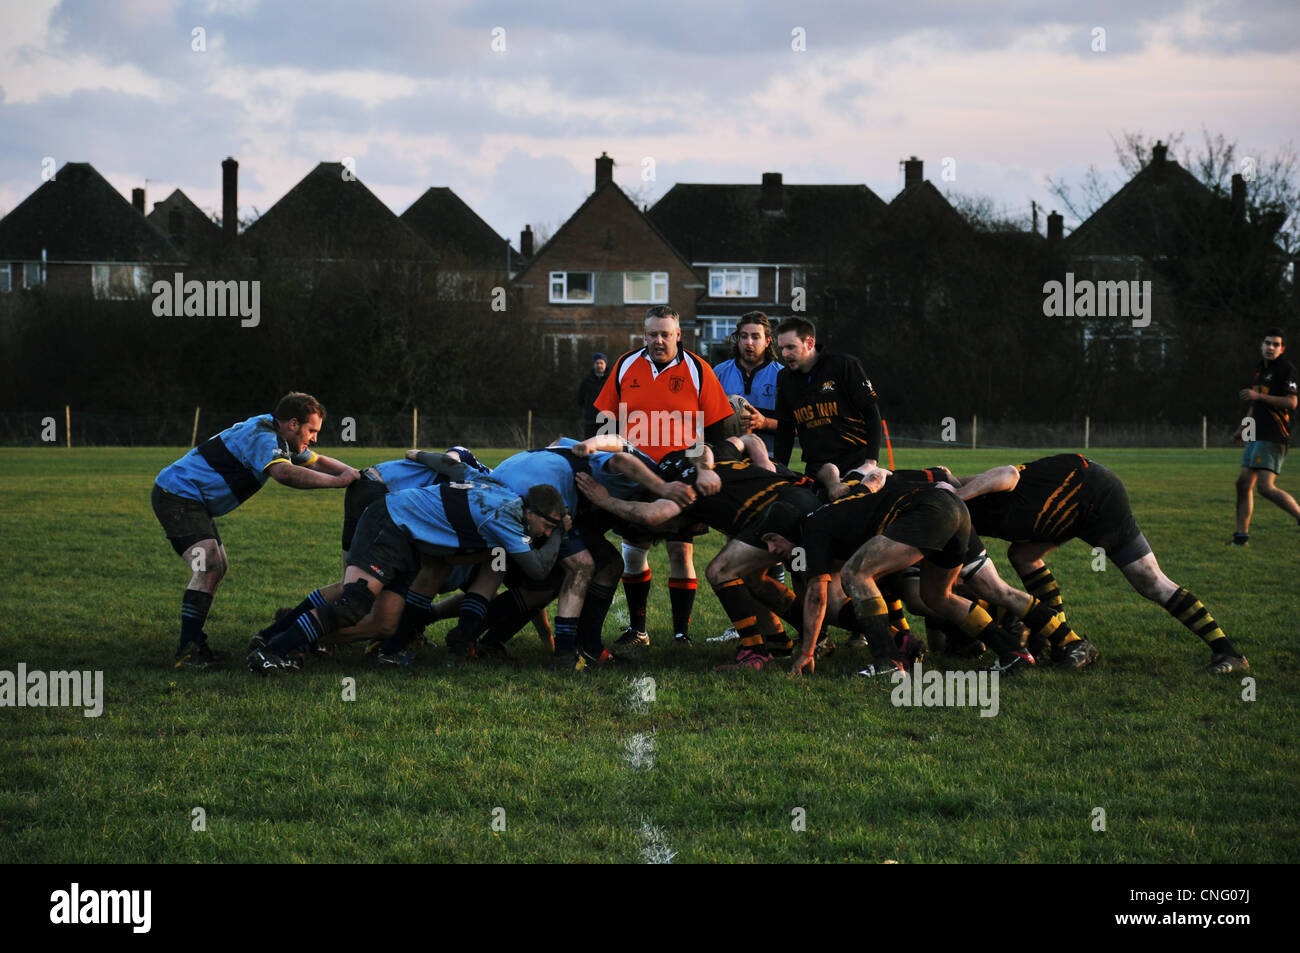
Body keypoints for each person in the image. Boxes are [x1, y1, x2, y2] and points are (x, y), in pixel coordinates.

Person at [953, 454, 1249, 674]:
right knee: (1022, 555)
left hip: (1095, 493)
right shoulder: (953, 520)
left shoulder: (963, 498)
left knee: (1150, 581)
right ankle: (1063, 641)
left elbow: (1007, 473)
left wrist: (958, 496)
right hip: (1064, 515)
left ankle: (1227, 651)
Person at [247, 479, 568, 672]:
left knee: (384, 623)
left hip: (407, 538)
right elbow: (537, 570)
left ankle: (287, 636)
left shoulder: (503, 500)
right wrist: (561, 533)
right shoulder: (507, 518)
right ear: (529, 512)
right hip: (389, 523)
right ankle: (273, 650)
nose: (547, 531)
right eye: (548, 524)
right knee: (352, 604)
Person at [151, 392, 359, 667]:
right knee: (209, 565)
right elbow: (284, 473)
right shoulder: (265, 437)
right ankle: (189, 651)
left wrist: (359, 475)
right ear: (294, 424)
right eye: (312, 430)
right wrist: (339, 483)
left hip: (189, 497)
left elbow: (316, 460)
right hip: (178, 495)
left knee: (216, 566)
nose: (314, 437)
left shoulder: (275, 430)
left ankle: (193, 644)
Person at [593, 306, 735, 649]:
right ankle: (638, 631)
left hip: (682, 475)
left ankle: (681, 634)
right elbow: (602, 420)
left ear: (678, 334)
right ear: (643, 335)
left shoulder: (698, 369)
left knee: (679, 552)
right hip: (635, 476)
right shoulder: (626, 365)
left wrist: (708, 468)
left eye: (665, 334)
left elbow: (718, 428)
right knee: (633, 551)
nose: (658, 340)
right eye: (652, 334)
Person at [772, 317, 884, 501]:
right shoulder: (784, 378)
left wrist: (871, 462)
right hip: (817, 469)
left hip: (856, 463)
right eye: (782, 348)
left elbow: (872, 415)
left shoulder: (844, 365)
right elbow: (784, 430)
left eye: (790, 347)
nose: (784, 354)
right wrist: (779, 471)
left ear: (809, 343)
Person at [1232, 327, 1299, 545]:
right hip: (1256, 433)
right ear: (1261, 345)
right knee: (1242, 483)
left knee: (1265, 487)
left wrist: (1258, 395)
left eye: (1275, 344)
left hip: (1273, 434)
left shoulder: (1285, 369)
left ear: (1282, 348)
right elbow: (1255, 405)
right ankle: (1241, 538)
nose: (1270, 347)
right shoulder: (1261, 369)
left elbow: (1292, 402)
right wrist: (1243, 428)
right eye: (1267, 343)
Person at [713, 312, 782, 454]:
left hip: (770, 458)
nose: (749, 342)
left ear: (767, 341)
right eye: (744, 336)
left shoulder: (782, 375)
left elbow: (799, 427)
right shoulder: (719, 372)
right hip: (729, 457)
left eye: (755, 337)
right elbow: (704, 419)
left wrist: (765, 423)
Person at [577, 353, 610, 439]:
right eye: (597, 363)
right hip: (591, 421)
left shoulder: (611, 380)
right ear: (594, 365)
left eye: (601, 363)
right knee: (590, 447)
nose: (599, 365)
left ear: (605, 364)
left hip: (608, 421)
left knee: (607, 447)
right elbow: (580, 399)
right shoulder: (586, 381)